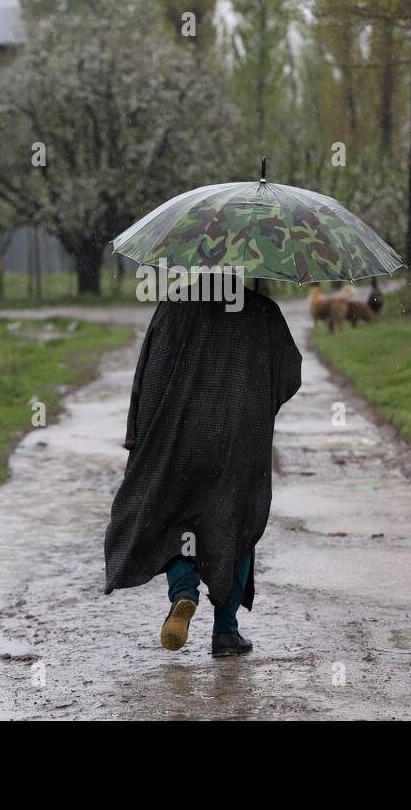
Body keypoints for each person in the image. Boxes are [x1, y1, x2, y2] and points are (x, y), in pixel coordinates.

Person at [104, 274, 303, 656]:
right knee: (236, 522)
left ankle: (183, 592)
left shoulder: (174, 306)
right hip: (238, 439)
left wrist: (138, 433)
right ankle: (226, 631)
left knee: (177, 518)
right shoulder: (263, 310)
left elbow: (148, 373)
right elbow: (289, 377)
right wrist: (253, 398)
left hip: (178, 435)